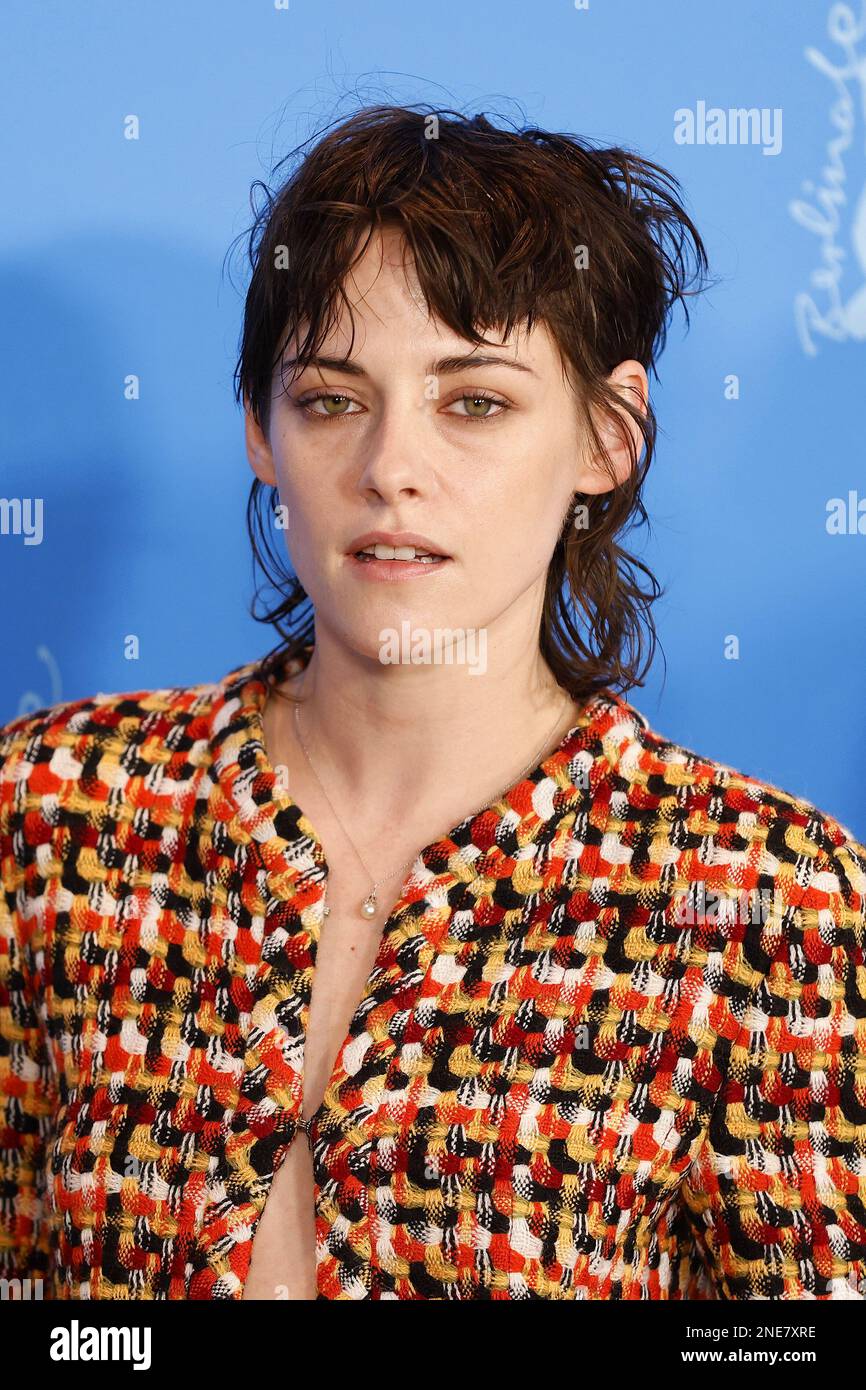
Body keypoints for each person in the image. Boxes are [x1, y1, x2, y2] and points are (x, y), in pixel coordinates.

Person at [1, 103, 864, 1302]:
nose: (389, 466)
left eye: (474, 401)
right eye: (330, 398)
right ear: (259, 429)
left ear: (607, 438)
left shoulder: (762, 893)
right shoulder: (53, 812)